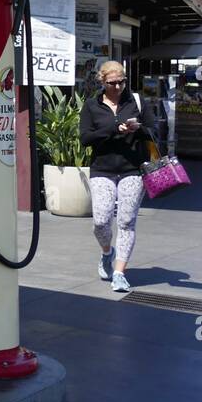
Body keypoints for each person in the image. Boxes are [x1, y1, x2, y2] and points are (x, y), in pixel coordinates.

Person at [79, 60, 156, 292]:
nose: (118, 87)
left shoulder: (137, 101)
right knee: (101, 220)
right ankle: (106, 252)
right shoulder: (92, 106)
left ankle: (120, 272)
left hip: (132, 169)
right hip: (102, 169)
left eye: (122, 82)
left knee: (126, 221)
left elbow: (152, 130)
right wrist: (114, 129)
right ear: (102, 82)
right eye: (112, 83)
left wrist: (137, 128)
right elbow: (85, 139)